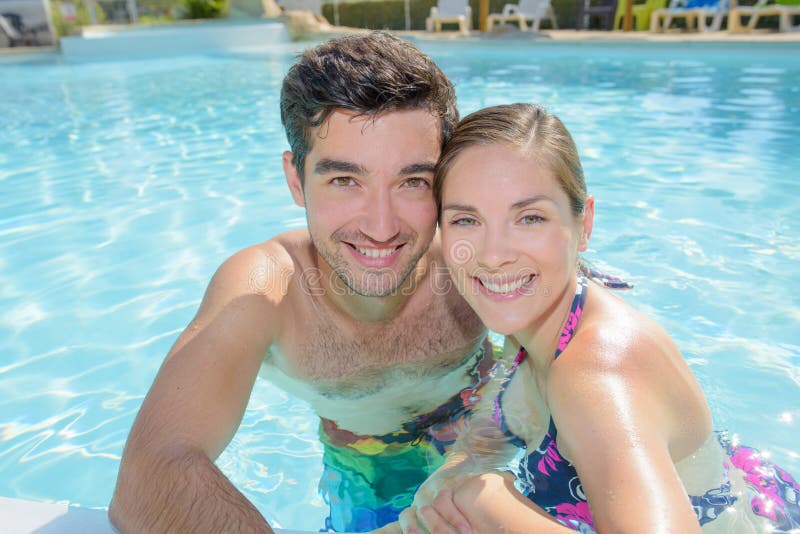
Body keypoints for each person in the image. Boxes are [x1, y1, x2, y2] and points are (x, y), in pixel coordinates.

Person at [108, 32, 498, 534]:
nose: (381, 226)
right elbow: (149, 473)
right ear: (296, 180)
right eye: (344, 180)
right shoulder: (266, 287)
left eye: (412, 182)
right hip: (370, 459)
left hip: (491, 438)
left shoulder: (477, 260)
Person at [398, 103, 800, 534]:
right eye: (466, 220)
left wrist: (493, 506)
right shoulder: (539, 319)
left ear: (583, 223)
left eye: (529, 218)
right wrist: (455, 478)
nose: (493, 255)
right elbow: (498, 422)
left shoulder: (595, 371)